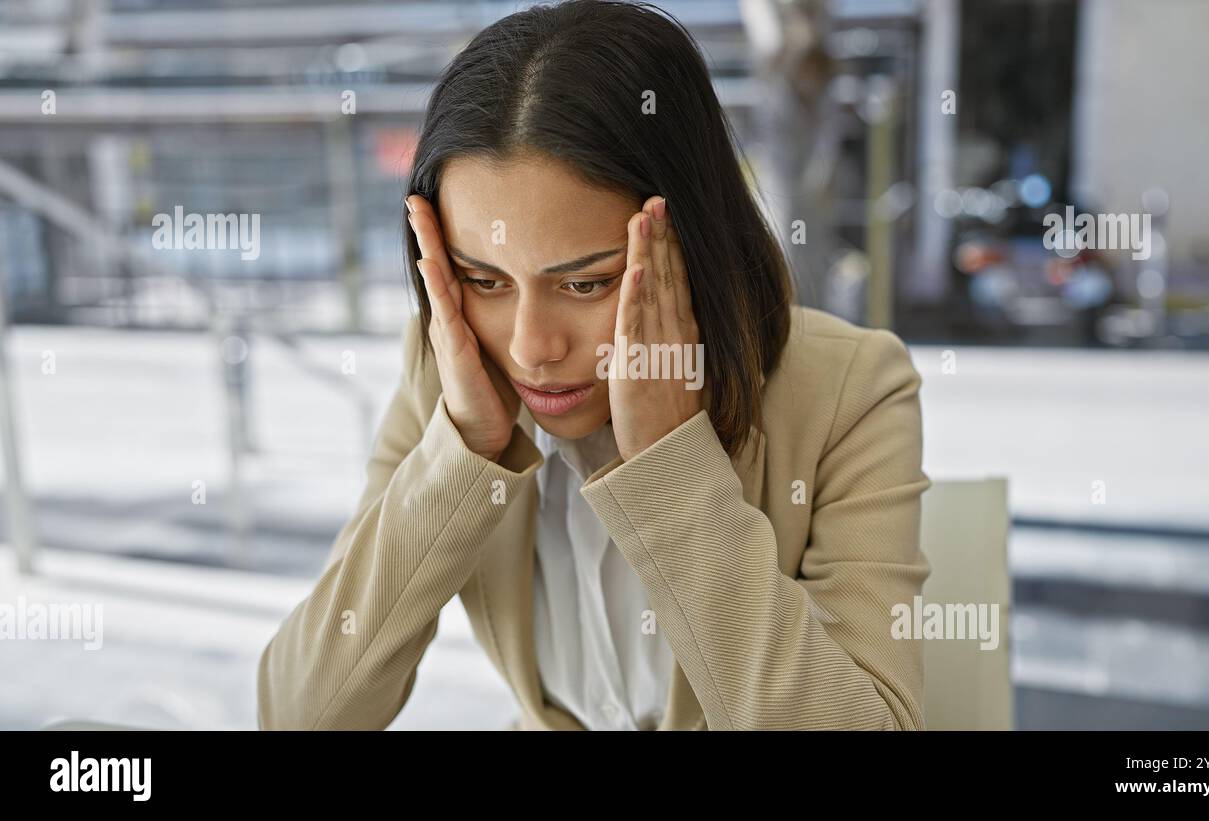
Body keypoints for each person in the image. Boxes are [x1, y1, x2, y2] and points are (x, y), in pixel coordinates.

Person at [257, 0, 931, 731]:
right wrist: (461, 455)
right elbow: (300, 713)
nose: (529, 348)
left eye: (585, 283)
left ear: (693, 245)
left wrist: (674, 474)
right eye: (485, 280)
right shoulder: (450, 374)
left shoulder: (850, 392)